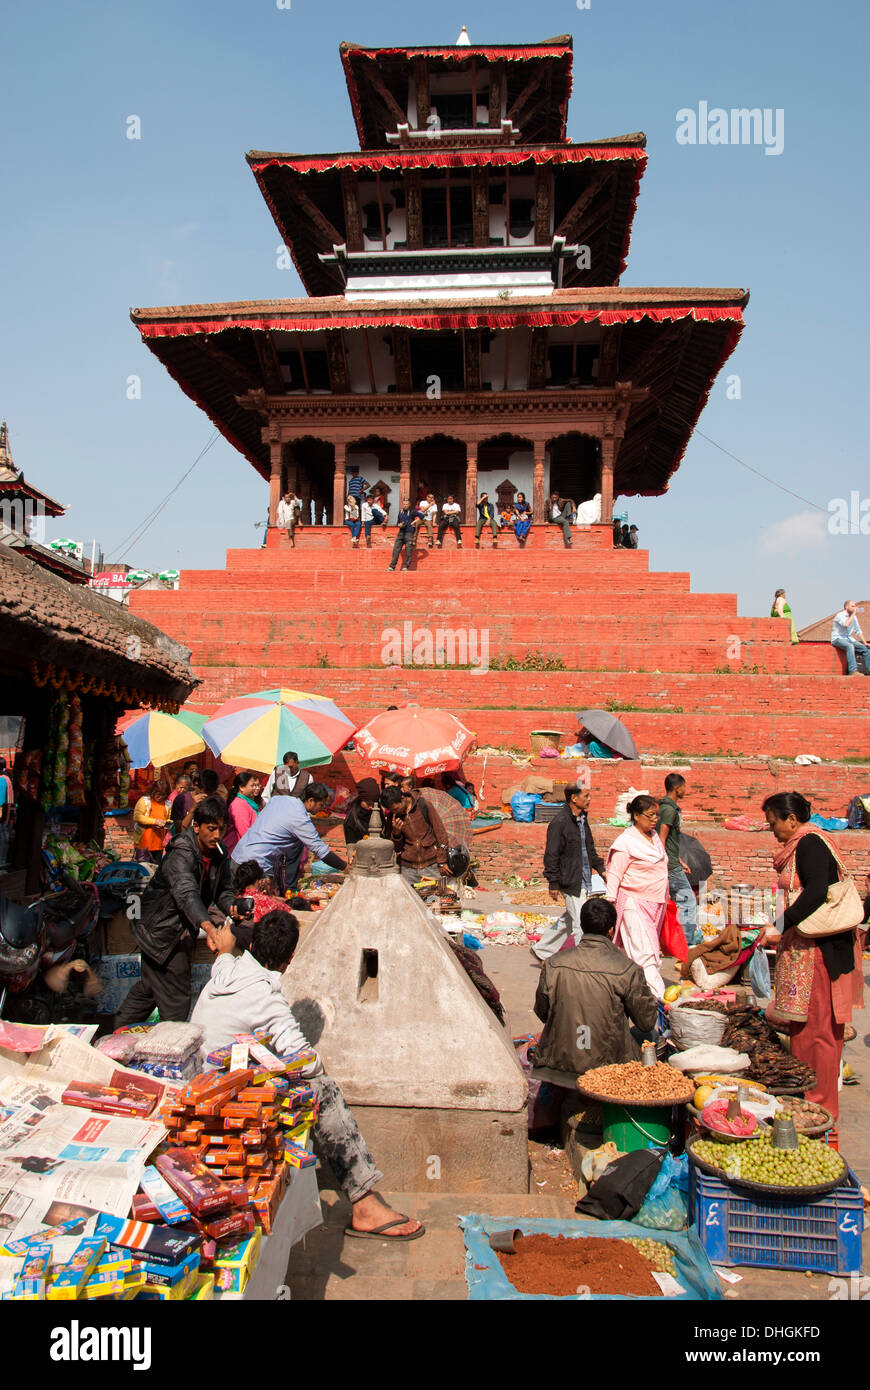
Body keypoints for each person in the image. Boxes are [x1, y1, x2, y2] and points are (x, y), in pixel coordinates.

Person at [193, 910, 424, 1240]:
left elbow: (226, 950)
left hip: (197, 1082)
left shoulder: (226, 970)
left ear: (254, 943)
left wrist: (225, 936)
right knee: (320, 1087)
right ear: (289, 960)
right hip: (220, 1096)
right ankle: (364, 1203)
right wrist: (319, 1069)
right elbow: (302, 1058)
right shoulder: (265, 997)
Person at [761, 791, 864, 1119]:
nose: (772, 830)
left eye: (774, 822)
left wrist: (782, 923)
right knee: (805, 1030)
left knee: (819, 1031)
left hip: (820, 954)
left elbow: (818, 890)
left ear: (792, 819)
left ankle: (820, 1108)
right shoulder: (804, 844)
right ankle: (809, 1097)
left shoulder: (809, 843)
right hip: (809, 950)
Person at [115, 797, 236, 1025]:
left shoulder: (219, 852)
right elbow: (186, 893)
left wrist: (233, 906)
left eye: (221, 829)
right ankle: (172, 1045)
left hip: (178, 929)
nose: (217, 835)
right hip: (160, 931)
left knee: (150, 988)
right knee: (176, 1000)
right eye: (211, 829)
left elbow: (222, 890)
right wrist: (208, 926)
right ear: (196, 827)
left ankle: (117, 1031)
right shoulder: (181, 852)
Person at [530, 898, 658, 1080]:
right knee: (650, 1037)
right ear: (611, 930)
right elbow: (646, 1022)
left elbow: (542, 1011)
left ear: (581, 925)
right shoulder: (628, 969)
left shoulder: (553, 964)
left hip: (557, 1062)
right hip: (608, 1068)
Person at [605, 794, 669, 999]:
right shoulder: (626, 842)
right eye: (650, 815)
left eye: (656, 816)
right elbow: (615, 874)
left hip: (656, 904)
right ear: (636, 815)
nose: (654, 820)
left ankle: (631, 995)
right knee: (645, 955)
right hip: (634, 904)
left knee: (644, 951)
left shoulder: (654, 837)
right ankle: (658, 1000)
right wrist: (610, 906)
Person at [231, 782, 346, 893]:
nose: (321, 809)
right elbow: (321, 851)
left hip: (238, 856)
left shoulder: (279, 799)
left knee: (236, 903)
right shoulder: (300, 819)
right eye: (320, 805)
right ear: (310, 801)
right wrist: (344, 866)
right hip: (257, 866)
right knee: (257, 907)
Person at [535, 784, 606, 961]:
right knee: (581, 922)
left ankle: (542, 949)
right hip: (570, 879)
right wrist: (553, 882)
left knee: (569, 918)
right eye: (586, 796)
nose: (589, 799)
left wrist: (601, 869)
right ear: (574, 798)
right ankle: (584, 960)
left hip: (582, 877)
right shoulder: (560, 823)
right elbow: (552, 854)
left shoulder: (582, 820)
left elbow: (588, 848)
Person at [656, 774, 700, 947]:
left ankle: (670, 941)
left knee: (670, 904)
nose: (685, 790)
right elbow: (662, 839)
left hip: (672, 862)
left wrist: (679, 859)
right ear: (677, 788)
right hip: (669, 866)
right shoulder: (669, 810)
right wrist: (664, 863)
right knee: (688, 901)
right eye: (684, 786)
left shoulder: (665, 807)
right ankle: (686, 944)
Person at [381, 785, 450, 888]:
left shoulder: (423, 805)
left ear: (402, 798)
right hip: (408, 868)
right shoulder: (393, 817)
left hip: (430, 865)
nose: (395, 812)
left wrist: (442, 861)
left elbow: (441, 834)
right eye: (392, 811)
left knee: (433, 899)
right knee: (410, 901)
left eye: (396, 809)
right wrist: (396, 833)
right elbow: (396, 847)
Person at [132, 776, 170, 864]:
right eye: (158, 794)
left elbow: (169, 819)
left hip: (158, 844)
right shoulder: (144, 801)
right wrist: (155, 821)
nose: (160, 797)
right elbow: (137, 817)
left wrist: (166, 824)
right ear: (153, 791)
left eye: (163, 795)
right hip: (143, 842)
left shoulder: (167, 804)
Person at [223, 771, 263, 853]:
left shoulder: (248, 804)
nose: (255, 788)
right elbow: (245, 833)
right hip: (238, 852)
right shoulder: (239, 804)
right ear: (241, 787)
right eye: (252, 786)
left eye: (257, 785)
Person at [831, 600, 870, 676]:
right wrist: (854, 614)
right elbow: (846, 624)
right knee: (850, 646)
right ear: (846, 607)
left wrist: (865, 643)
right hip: (837, 639)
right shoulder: (840, 615)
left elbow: (858, 631)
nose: (854, 607)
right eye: (852, 606)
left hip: (848, 638)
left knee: (866, 649)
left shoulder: (854, 617)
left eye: (855, 606)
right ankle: (853, 671)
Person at [342, 778, 381, 846]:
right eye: (368, 804)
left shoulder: (378, 812)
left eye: (374, 804)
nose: (371, 807)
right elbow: (351, 847)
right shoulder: (352, 820)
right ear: (361, 800)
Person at [388, 498, 416, 572]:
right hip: (401, 533)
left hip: (409, 533)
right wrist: (399, 525)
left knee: (408, 550)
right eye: (404, 504)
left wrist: (414, 522)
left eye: (406, 504)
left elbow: (422, 516)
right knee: (396, 550)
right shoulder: (401, 512)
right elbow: (398, 522)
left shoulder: (412, 512)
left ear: (409, 504)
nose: (405, 505)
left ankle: (406, 566)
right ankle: (392, 566)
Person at [0, 755, 14, 868]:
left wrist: (6, 818)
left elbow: (4, 803)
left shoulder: (2, 780)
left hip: (2, 817)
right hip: (5, 817)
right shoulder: (7, 779)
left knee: (2, 839)